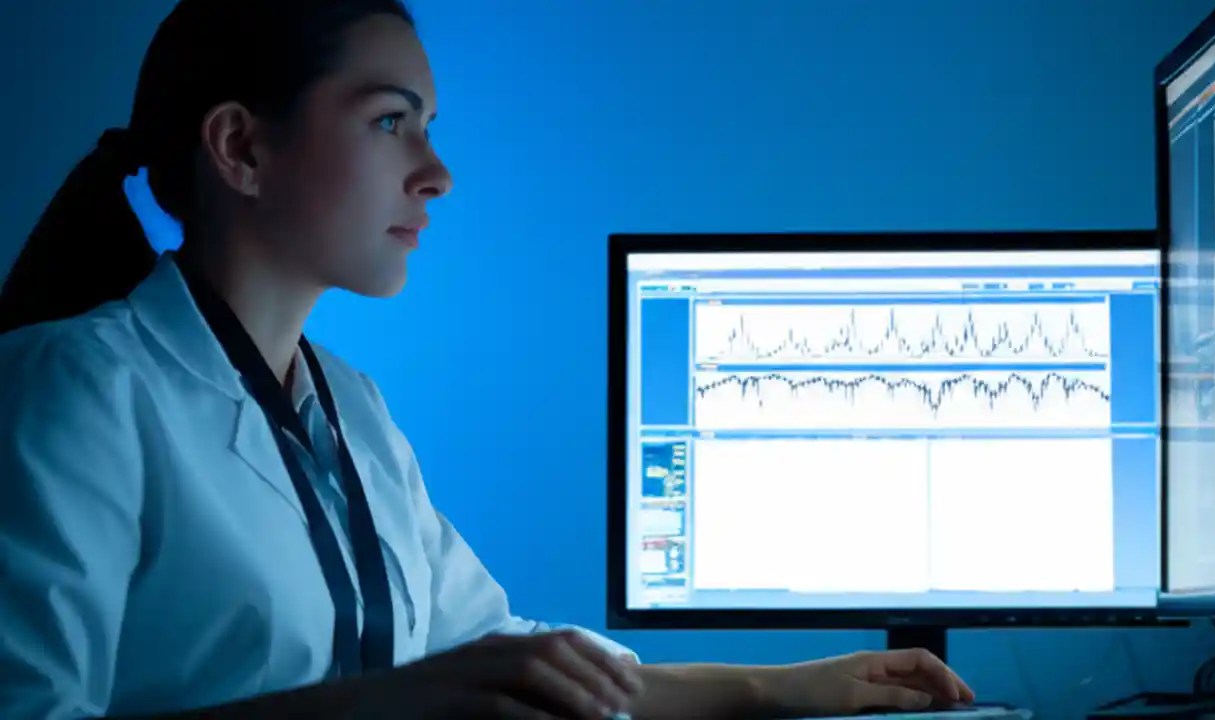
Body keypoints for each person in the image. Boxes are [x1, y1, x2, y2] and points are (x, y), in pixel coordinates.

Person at [0, 1, 977, 718]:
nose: (435, 171)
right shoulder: (76, 389)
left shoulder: (349, 405)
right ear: (240, 147)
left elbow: (497, 656)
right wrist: (404, 705)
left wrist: (773, 689)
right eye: (391, 121)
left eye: (427, 126)